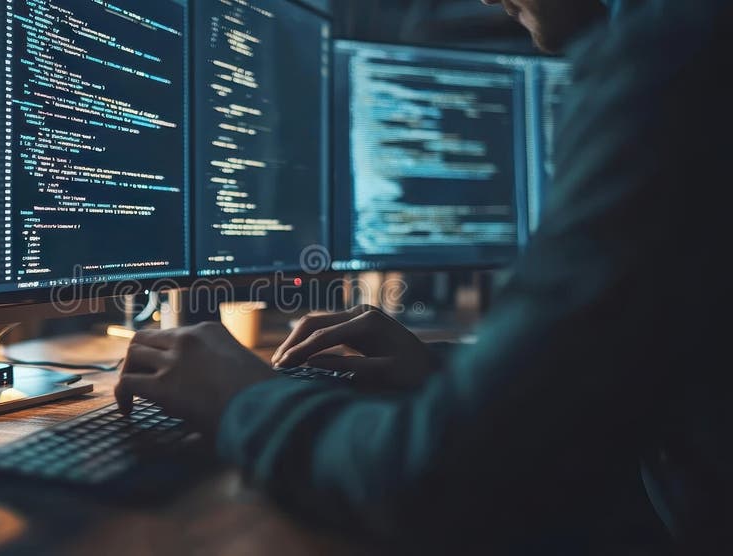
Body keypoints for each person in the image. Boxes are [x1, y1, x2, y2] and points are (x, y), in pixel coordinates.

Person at [115, 0, 733, 552]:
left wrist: (241, 399)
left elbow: (437, 480)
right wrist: (448, 375)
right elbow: (636, 369)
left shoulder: (673, 59)